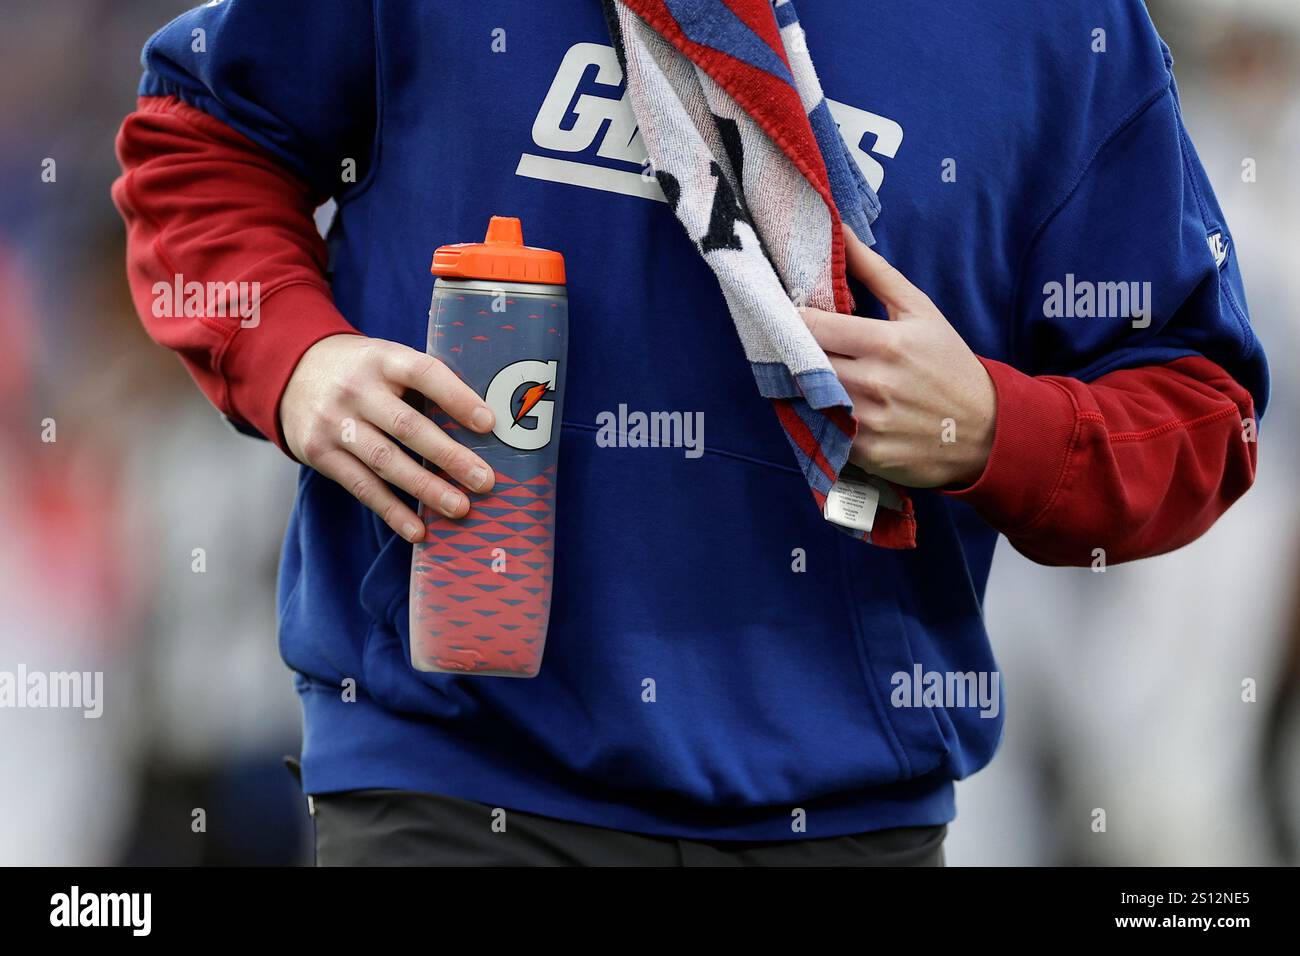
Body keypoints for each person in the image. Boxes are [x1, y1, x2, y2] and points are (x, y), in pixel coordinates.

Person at [112, 0, 1268, 866]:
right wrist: (295, 355)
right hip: (454, 775)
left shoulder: (1059, 27)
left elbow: (1197, 404)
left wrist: (992, 427)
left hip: (847, 809)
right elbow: (202, 134)